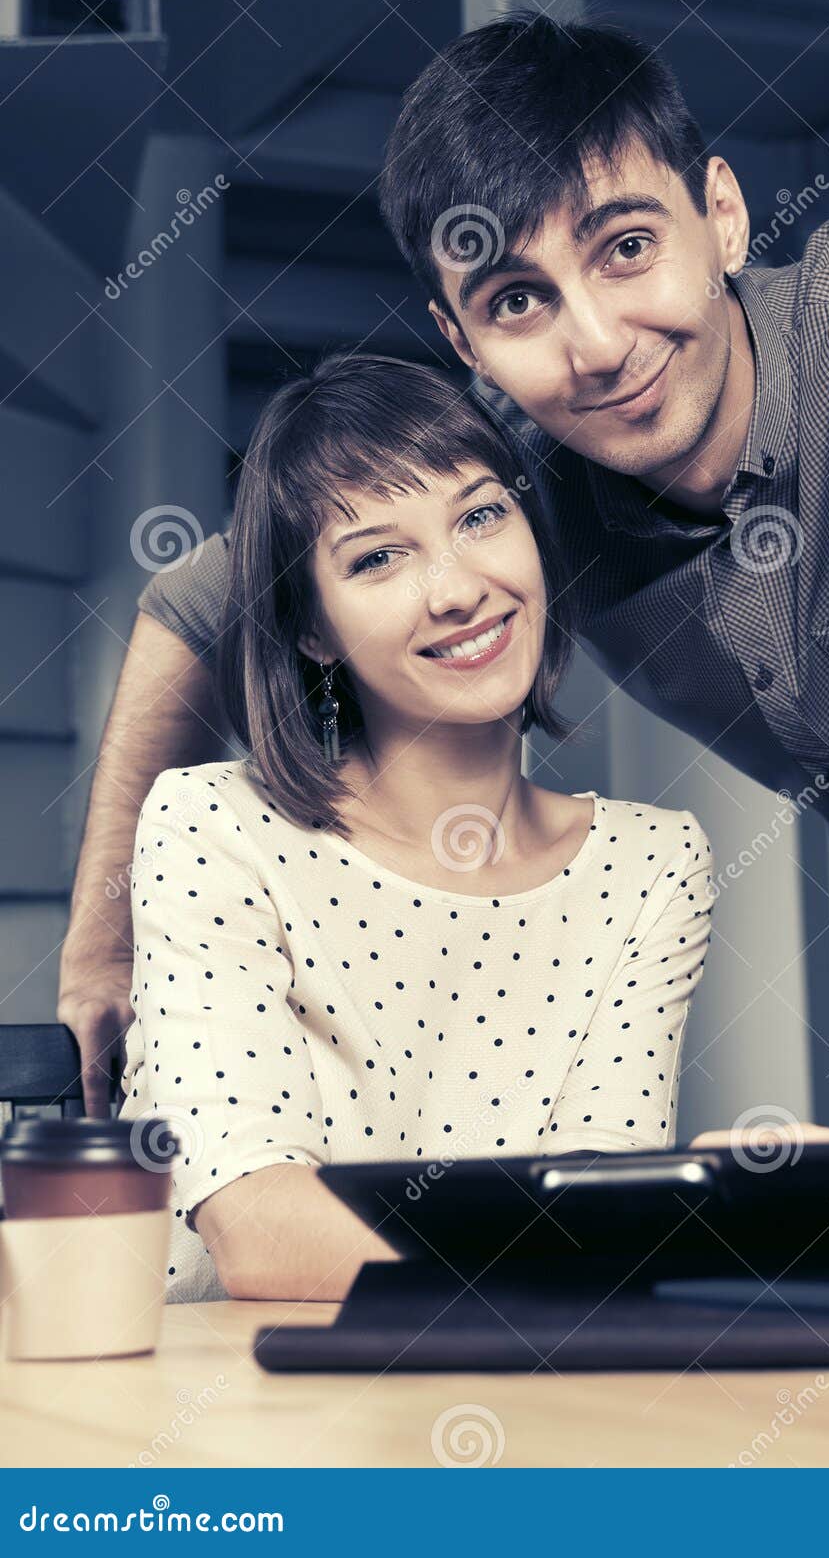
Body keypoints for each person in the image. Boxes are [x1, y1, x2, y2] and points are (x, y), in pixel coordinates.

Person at [67, 12, 829, 1279]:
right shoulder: (507, 489)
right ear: (462, 342)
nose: (597, 345)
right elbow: (198, 605)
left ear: (719, 214)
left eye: (625, 247)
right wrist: (105, 946)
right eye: (518, 301)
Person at [116, 353, 713, 1301]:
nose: (456, 589)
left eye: (479, 516)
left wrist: (730, 1210)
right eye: (377, 558)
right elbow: (261, 1233)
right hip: (231, 1385)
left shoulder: (652, 864)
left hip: (507, 1382)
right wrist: (624, 1239)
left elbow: (603, 1209)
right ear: (312, 629)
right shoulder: (212, 828)